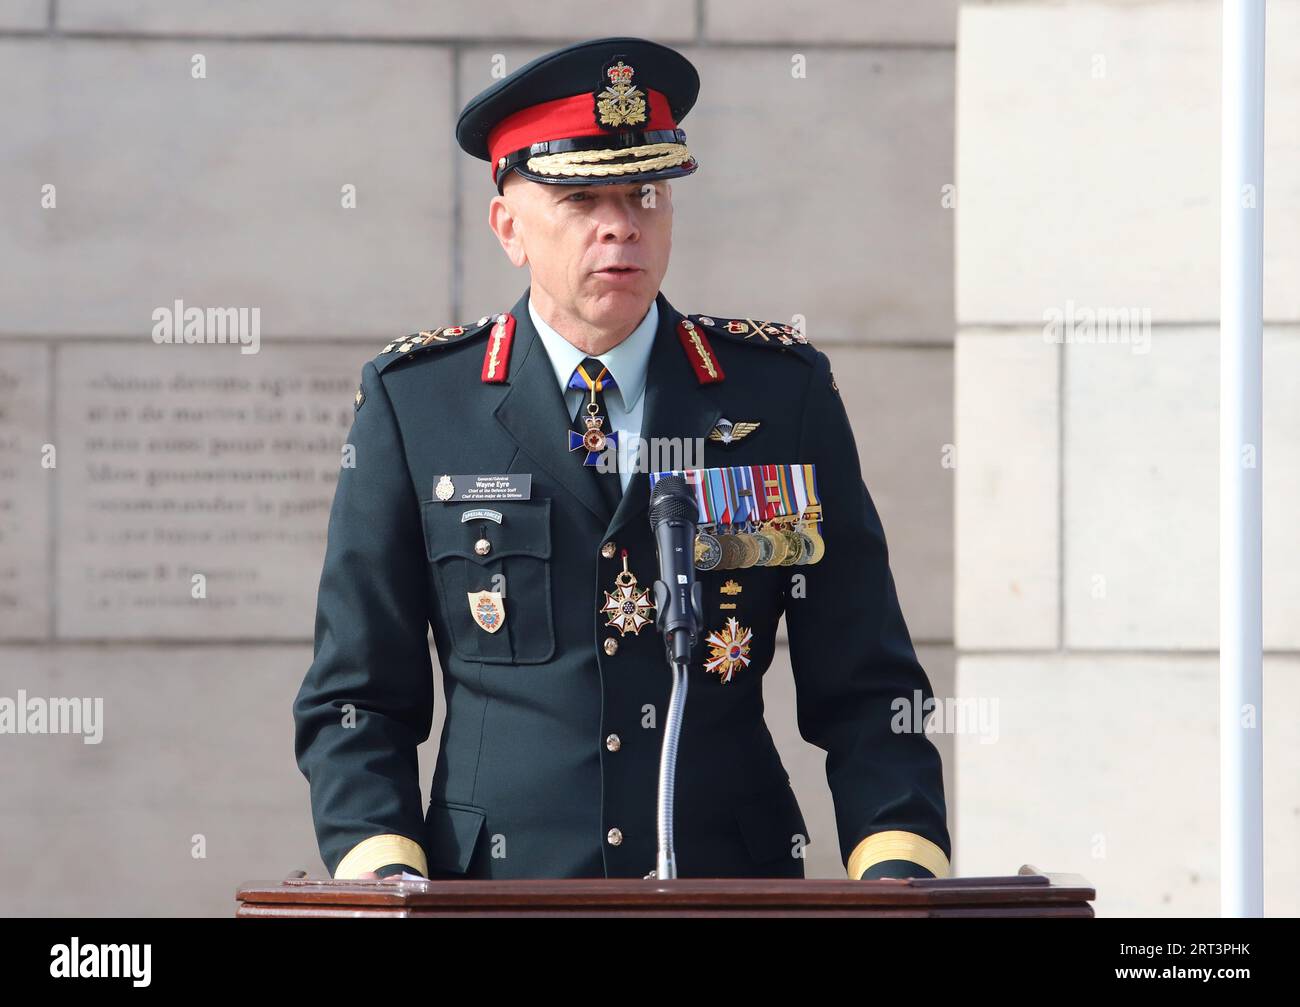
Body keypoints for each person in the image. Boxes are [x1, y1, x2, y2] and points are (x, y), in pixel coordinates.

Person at [292, 36, 951, 883]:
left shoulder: (776, 397)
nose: (621, 224)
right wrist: (384, 875)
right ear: (509, 227)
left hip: (730, 892)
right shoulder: (419, 405)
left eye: (644, 193)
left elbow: (866, 682)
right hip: (495, 896)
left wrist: (898, 864)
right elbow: (358, 696)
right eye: (582, 198)